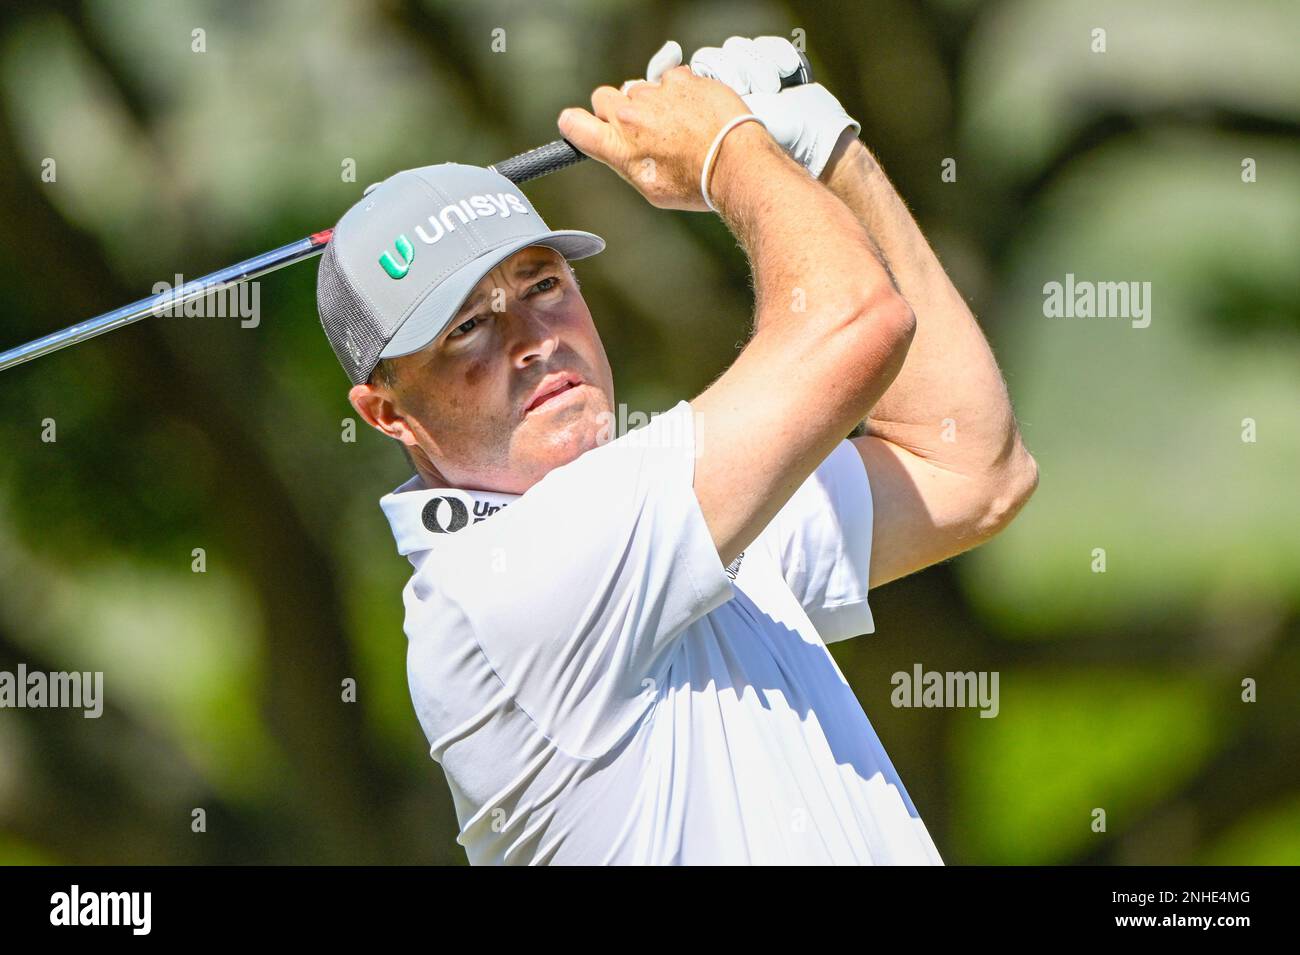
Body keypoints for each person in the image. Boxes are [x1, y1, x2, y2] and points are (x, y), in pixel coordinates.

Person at [315, 36, 1038, 864]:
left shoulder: (673, 518)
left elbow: (971, 467)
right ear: (387, 414)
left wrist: (834, 160)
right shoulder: (495, 583)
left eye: (543, 284)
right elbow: (857, 320)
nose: (533, 339)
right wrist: (731, 151)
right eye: (468, 326)